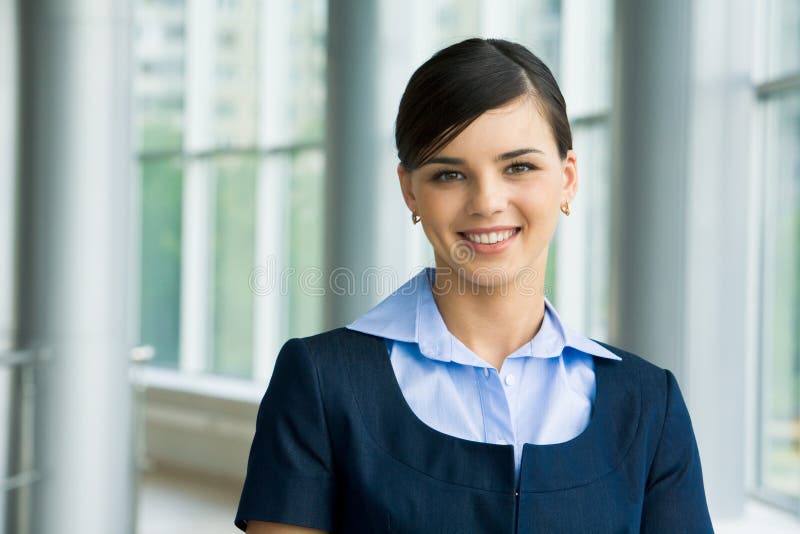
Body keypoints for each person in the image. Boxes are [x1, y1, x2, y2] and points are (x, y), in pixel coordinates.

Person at [235, 38, 714, 533]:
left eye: (519, 167)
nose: (487, 201)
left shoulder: (649, 405)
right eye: (449, 174)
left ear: (568, 178)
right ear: (409, 191)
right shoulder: (320, 383)